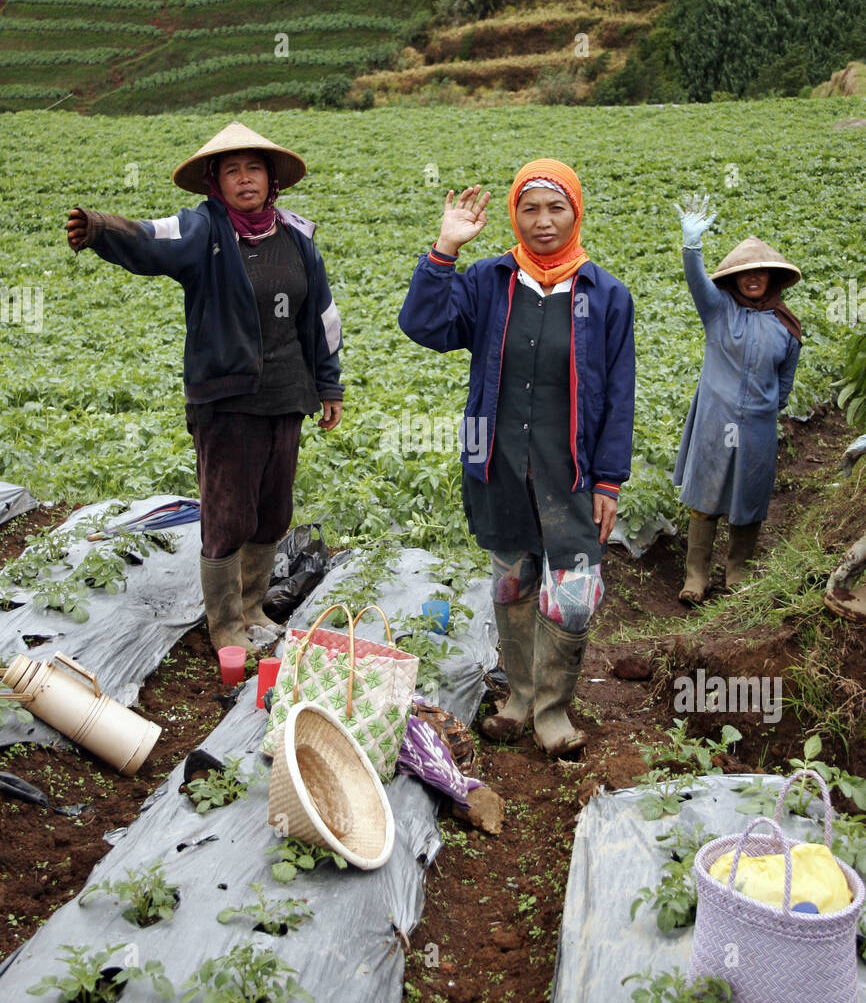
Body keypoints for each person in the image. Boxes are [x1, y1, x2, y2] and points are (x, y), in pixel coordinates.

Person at [65, 120, 344, 656]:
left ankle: (253, 605)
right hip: (226, 400)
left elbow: (321, 318)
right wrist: (102, 228)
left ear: (271, 180)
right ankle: (224, 624)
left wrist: (327, 385)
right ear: (216, 183)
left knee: (271, 510)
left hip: (287, 395)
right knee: (227, 514)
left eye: (254, 169)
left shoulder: (297, 240)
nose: (245, 180)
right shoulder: (205, 232)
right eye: (232, 171)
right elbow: (153, 239)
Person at [399, 160, 635, 758]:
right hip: (499, 463)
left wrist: (609, 479)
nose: (543, 221)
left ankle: (554, 708)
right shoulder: (488, 281)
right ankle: (520, 697)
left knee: (574, 594)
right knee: (512, 582)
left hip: (572, 471)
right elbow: (423, 324)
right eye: (529, 208)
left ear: (575, 212)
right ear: (513, 215)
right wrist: (445, 248)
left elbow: (619, 392)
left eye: (556, 208)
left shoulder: (605, 296)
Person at [673, 193, 802, 603]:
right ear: (733, 278)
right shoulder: (718, 311)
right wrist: (692, 247)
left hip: (759, 425)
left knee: (749, 497)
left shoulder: (784, 327)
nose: (752, 279)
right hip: (716, 418)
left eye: (760, 274)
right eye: (745, 273)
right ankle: (696, 576)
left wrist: (767, 407)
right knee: (706, 496)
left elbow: (785, 380)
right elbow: (696, 281)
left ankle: (737, 572)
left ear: (771, 279)